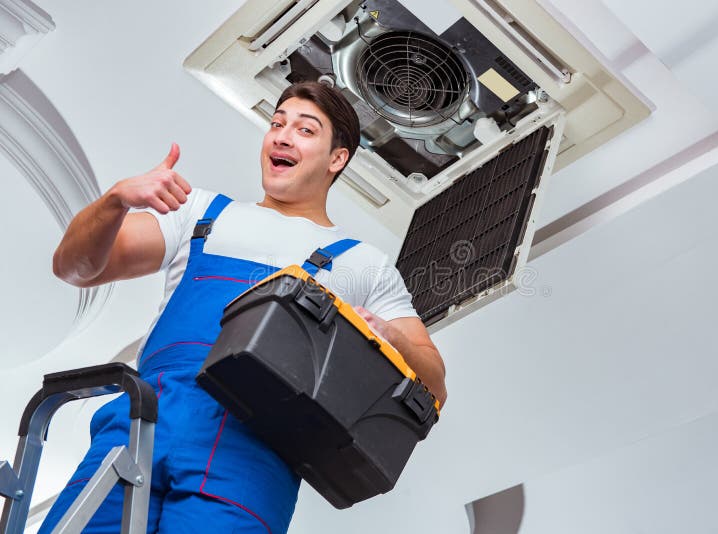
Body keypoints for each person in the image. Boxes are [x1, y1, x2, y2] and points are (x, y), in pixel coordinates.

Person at [43, 81, 447, 533]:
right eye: (276, 124)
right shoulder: (199, 212)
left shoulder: (362, 264)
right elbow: (74, 267)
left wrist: (389, 337)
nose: (281, 135)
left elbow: (434, 382)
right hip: (146, 417)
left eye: (305, 130)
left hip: (255, 450)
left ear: (338, 158)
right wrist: (115, 201)